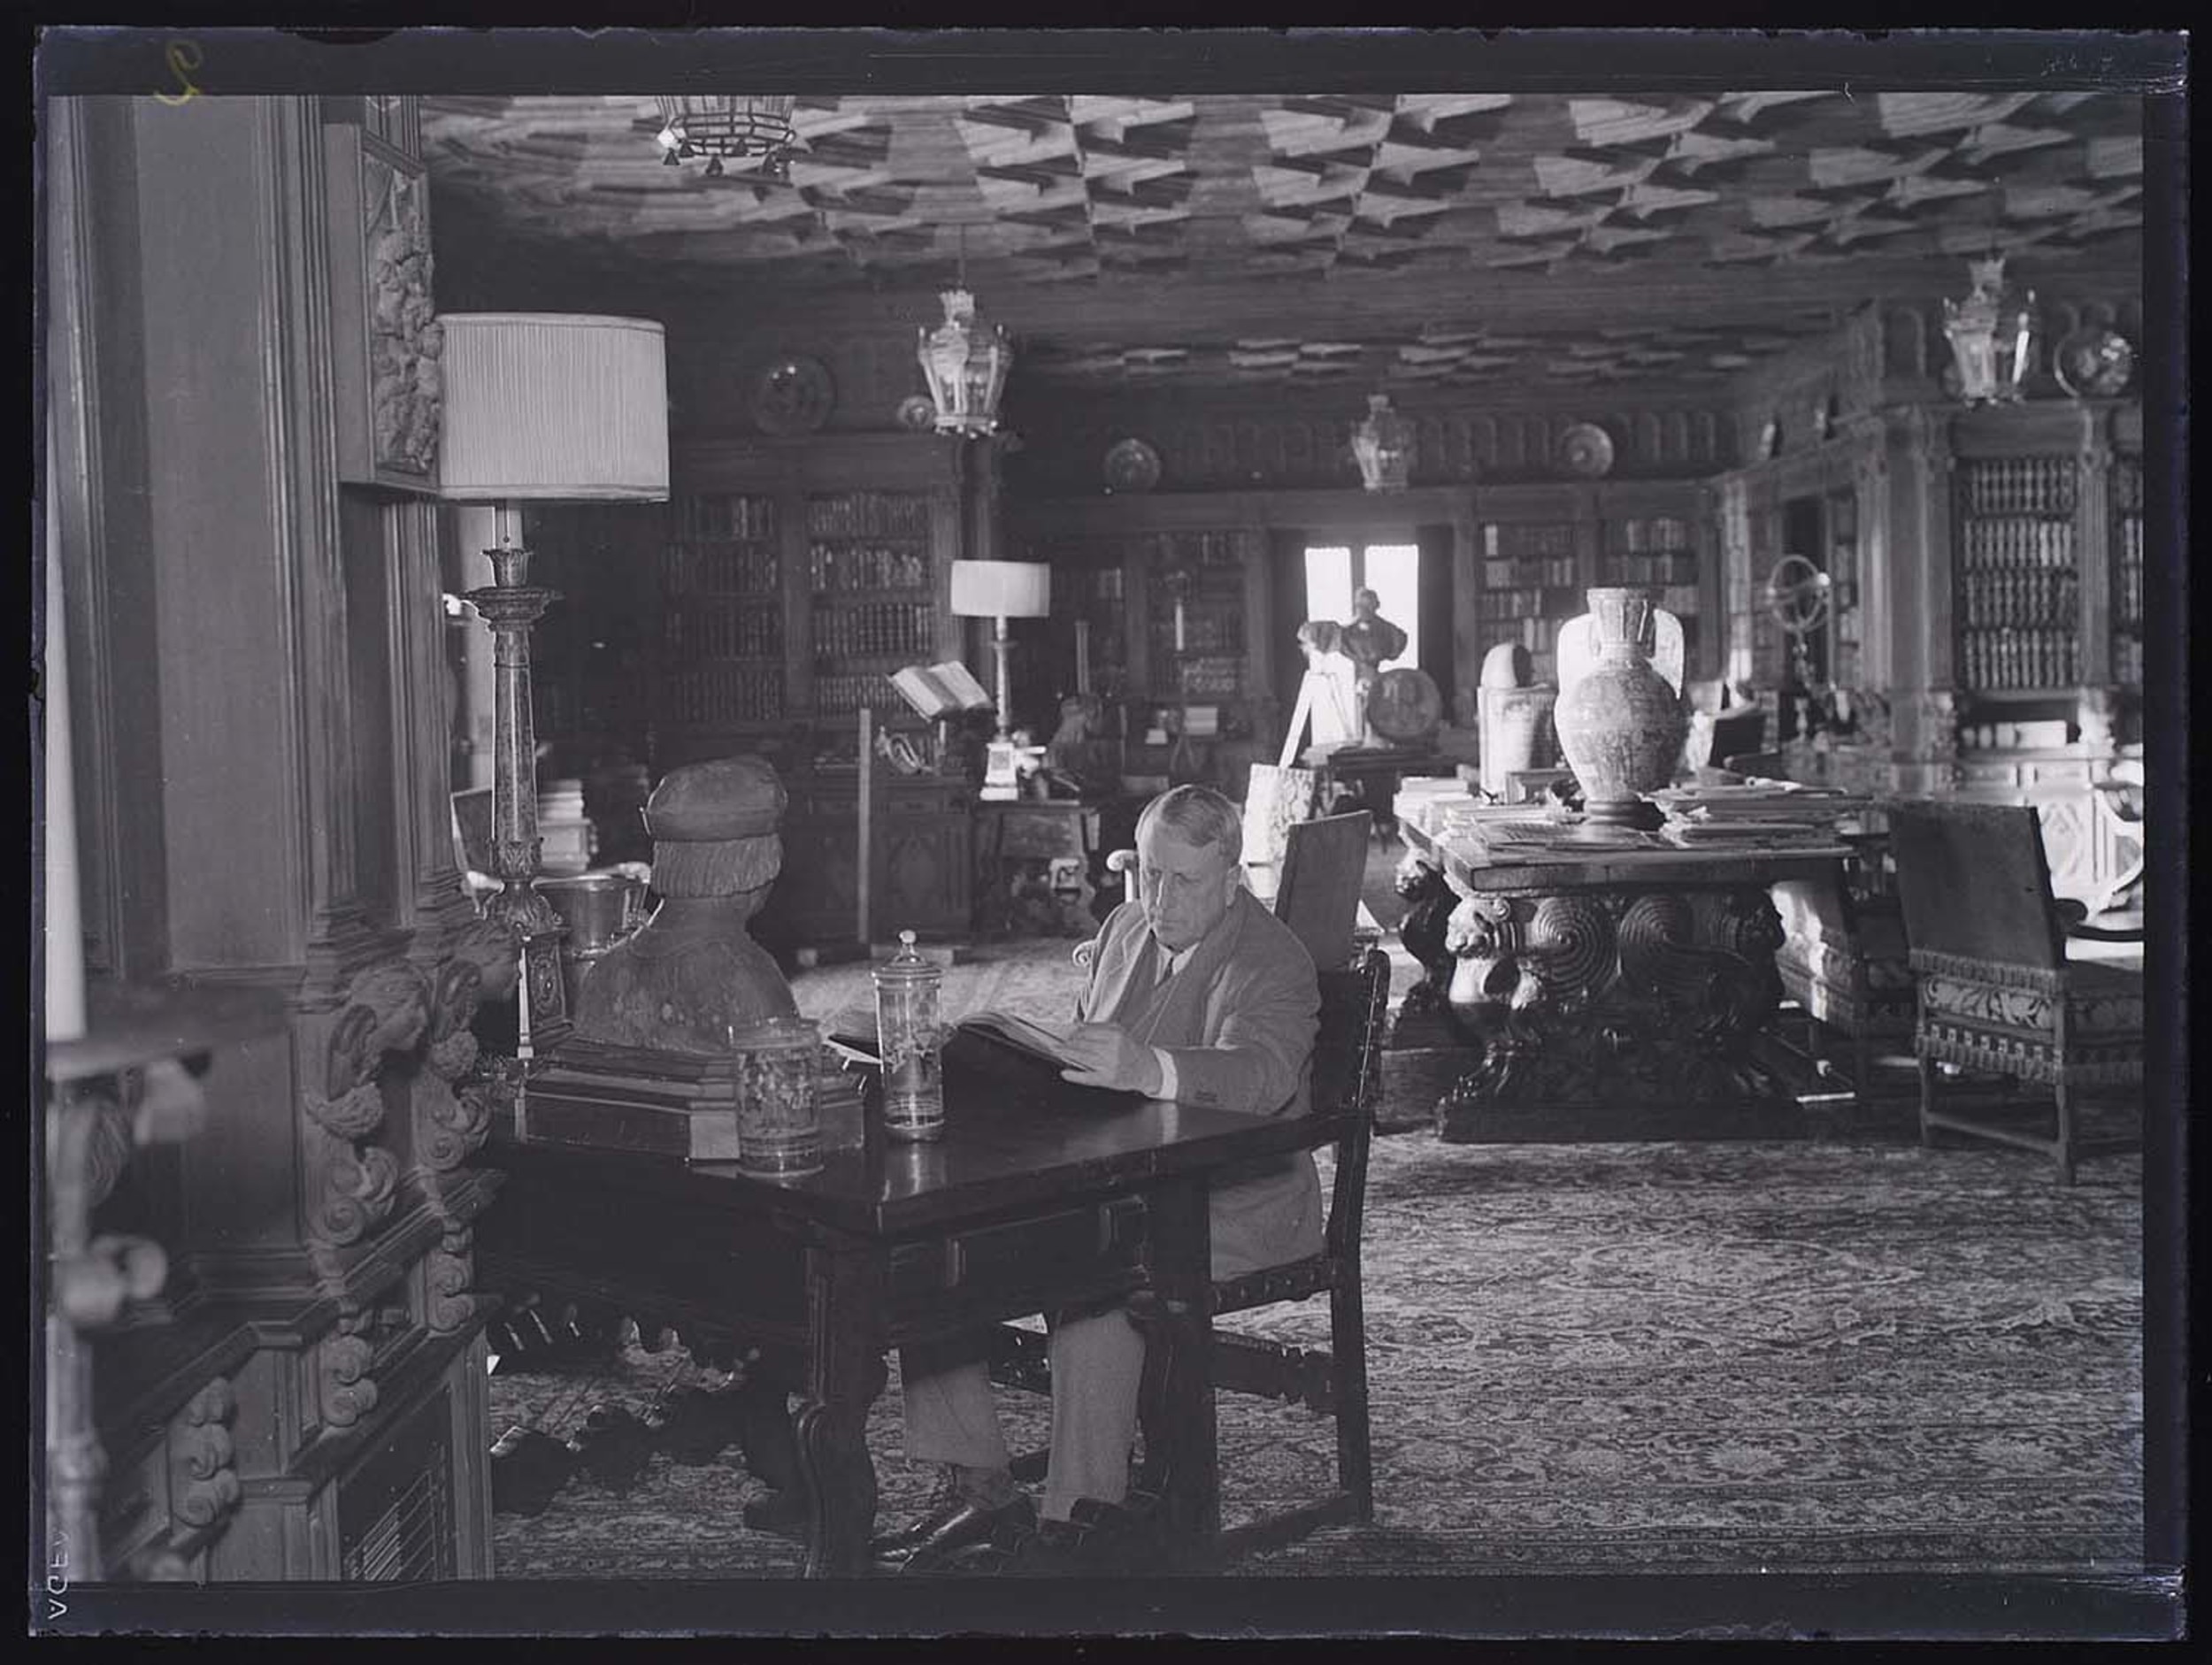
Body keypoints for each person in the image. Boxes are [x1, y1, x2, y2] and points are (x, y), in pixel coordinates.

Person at [876, 784, 1323, 1575]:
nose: (1160, 897)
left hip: (1235, 1204)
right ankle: (978, 1485)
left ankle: (1077, 1518)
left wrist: (1148, 1067)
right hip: (1114, 1182)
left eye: (1183, 881)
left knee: (1098, 1278)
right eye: (1149, 873)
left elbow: (1262, 1077)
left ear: (1233, 877)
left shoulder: (1272, 959)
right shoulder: (1124, 927)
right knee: (929, 1249)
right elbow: (1083, 1062)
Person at [1339, 588, 1409, 747]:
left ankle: (1378, 736)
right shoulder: (1348, 633)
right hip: (1364, 677)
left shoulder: (1387, 630)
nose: (1365, 610)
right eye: (1361, 605)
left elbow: (1399, 639)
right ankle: (1368, 737)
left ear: (1376, 606)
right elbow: (1342, 641)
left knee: (1380, 705)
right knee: (1366, 707)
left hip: (1377, 677)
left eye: (1369, 606)